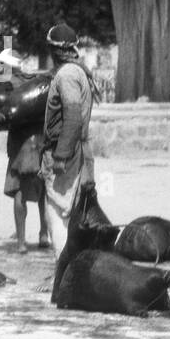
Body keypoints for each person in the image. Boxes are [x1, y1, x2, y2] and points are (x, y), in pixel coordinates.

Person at [40, 23, 98, 258]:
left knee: (57, 214)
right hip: (79, 151)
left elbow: (73, 117)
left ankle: (62, 275)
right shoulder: (80, 71)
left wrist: (60, 156)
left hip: (67, 154)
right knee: (71, 214)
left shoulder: (66, 75)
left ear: (55, 50)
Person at [0, 49, 50, 253]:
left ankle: (22, 243)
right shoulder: (35, 81)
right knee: (43, 192)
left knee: (18, 192)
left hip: (20, 146)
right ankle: (44, 234)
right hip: (40, 142)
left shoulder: (6, 86)